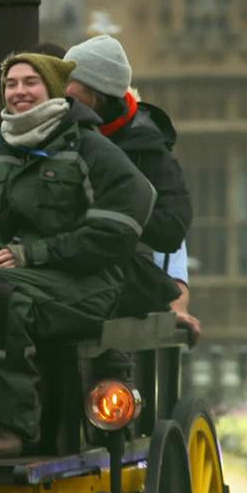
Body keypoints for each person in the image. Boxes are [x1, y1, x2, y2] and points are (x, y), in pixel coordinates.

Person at [0, 53, 155, 458]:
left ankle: (13, 423)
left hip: (87, 285)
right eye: (11, 84)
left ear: (52, 89)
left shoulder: (89, 147)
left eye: (30, 82)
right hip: (17, 276)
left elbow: (117, 230)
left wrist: (30, 254)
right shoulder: (4, 150)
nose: (19, 92)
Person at [60, 35, 199, 340]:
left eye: (69, 81)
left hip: (120, 283)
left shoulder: (147, 148)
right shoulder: (56, 134)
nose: (60, 91)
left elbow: (171, 230)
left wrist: (113, 215)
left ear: (96, 92)